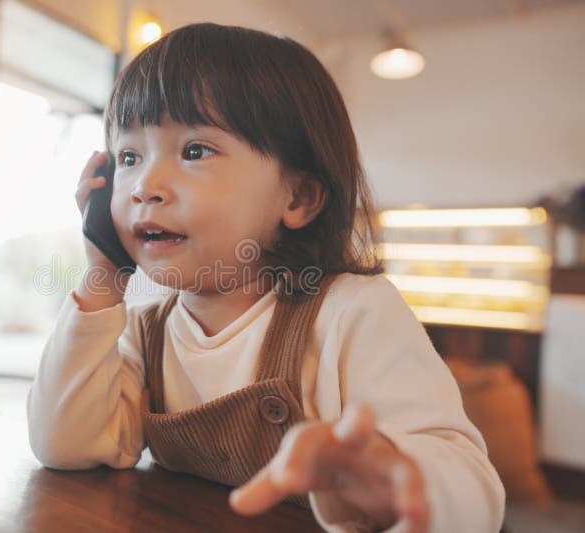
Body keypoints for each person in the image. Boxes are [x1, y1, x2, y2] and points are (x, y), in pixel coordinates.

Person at [27, 23, 505, 533]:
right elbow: (66, 444)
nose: (145, 186)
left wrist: (395, 477)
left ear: (297, 198)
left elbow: (474, 486)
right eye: (128, 157)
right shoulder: (146, 331)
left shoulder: (353, 312)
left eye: (194, 151)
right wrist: (103, 275)